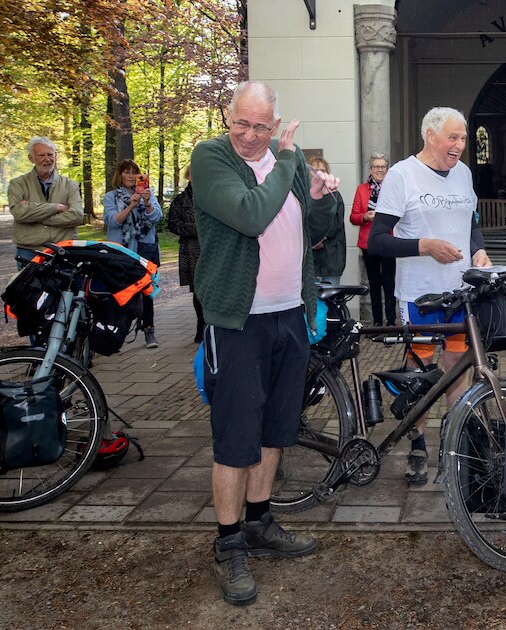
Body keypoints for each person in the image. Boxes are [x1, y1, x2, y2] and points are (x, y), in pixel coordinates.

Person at [190, 81, 340, 606]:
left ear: (273, 125)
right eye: (241, 124)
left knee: (276, 428)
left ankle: (260, 523)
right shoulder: (210, 158)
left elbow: (313, 230)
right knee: (236, 436)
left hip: (288, 314)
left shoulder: (286, 162)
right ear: (227, 117)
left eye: (260, 127)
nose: (249, 136)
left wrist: (320, 197)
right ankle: (228, 542)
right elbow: (253, 215)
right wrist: (286, 160)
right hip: (237, 320)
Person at [367, 106, 490, 486]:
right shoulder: (403, 175)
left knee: (457, 368)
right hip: (419, 295)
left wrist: (479, 250)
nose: (459, 145)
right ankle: (417, 444)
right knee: (419, 374)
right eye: (452, 137)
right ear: (430, 136)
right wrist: (424, 246)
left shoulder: (464, 173)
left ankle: (454, 444)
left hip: (460, 292)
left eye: (463, 138)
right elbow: (378, 241)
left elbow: (471, 223)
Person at [103, 159, 164, 348]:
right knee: (119, 292)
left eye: (134, 173)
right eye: (126, 172)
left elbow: (156, 217)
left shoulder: (148, 195)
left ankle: (149, 330)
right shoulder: (111, 197)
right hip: (121, 250)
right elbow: (113, 221)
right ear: (119, 175)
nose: (131, 176)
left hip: (144, 249)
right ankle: (115, 333)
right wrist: (130, 205)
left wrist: (146, 203)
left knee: (147, 291)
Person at [7, 136, 85, 263]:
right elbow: (19, 213)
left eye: (50, 154)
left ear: (56, 156)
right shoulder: (18, 184)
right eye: (41, 155)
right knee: (28, 283)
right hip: (29, 251)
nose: (47, 159)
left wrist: (34, 216)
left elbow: (77, 216)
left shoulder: (70, 185)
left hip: (63, 250)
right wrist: (56, 207)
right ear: (31, 158)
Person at [350, 153, 397, 325]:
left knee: (389, 283)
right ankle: (377, 322)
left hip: (389, 241)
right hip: (368, 242)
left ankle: (391, 321)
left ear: (387, 169)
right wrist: (365, 216)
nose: (379, 170)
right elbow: (353, 217)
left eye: (383, 167)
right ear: (370, 169)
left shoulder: (393, 188)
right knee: (374, 283)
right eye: (376, 166)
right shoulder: (361, 190)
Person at [167, 163, 204, 343]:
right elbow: (173, 224)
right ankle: (201, 324)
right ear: (188, 177)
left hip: (212, 247)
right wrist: (196, 229)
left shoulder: (212, 196)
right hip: (191, 249)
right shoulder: (180, 201)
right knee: (198, 290)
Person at [305, 156, 347, 284]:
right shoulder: (302, 194)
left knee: (330, 302)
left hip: (330, 259)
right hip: (308, 261)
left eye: (322, 170)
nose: (318, 173)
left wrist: (319, 238)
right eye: (315, 169)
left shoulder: (335, 196)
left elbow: (336, 225)